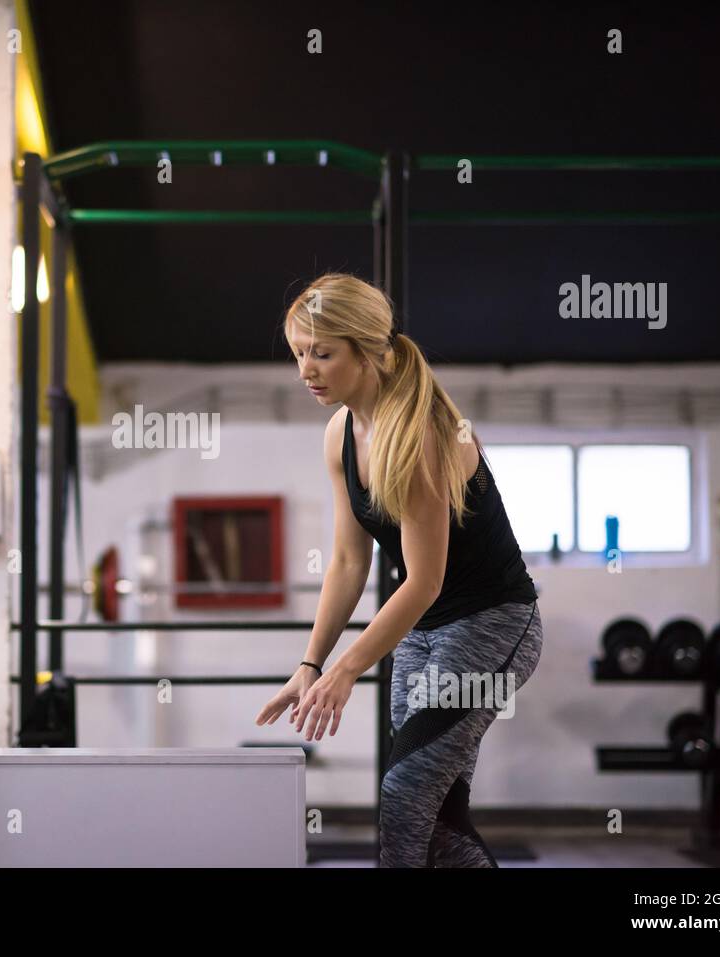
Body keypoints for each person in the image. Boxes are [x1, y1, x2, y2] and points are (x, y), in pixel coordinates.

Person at [254, 272, 543, 868]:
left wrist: (347, 670)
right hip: (426, 628)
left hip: (493, 625)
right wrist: (311, 664)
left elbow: (424, 579)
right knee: (437, 814)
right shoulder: (340, 434)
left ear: (367, 353)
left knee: (405, 792)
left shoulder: (422, 437)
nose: (305, 370)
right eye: (299, 353)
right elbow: (347, 559)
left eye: (322, 354)